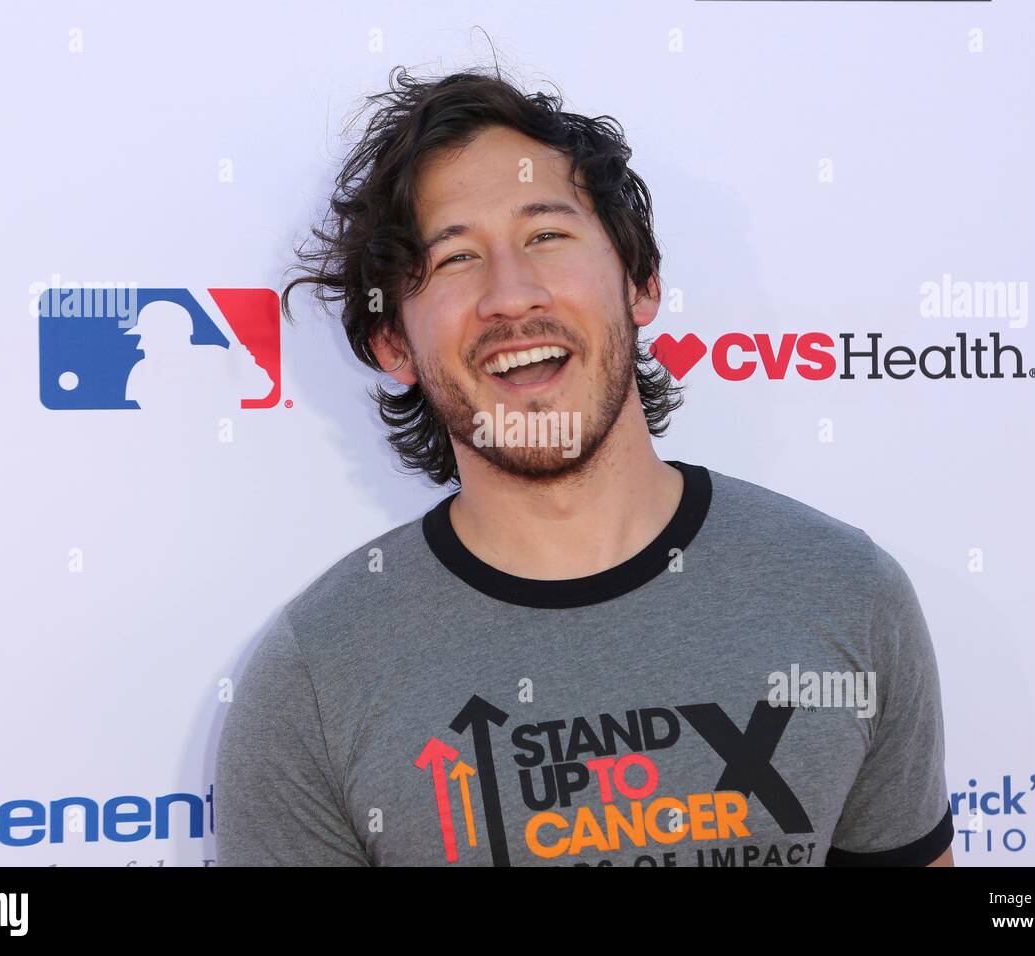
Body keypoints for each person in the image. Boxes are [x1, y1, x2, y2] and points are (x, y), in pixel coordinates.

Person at [214, 66, 954, 867]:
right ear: (394, 343)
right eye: (455, 258)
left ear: (639, 283)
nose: (511, 295)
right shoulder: (316, 680)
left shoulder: (846, 593)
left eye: (546, 235)